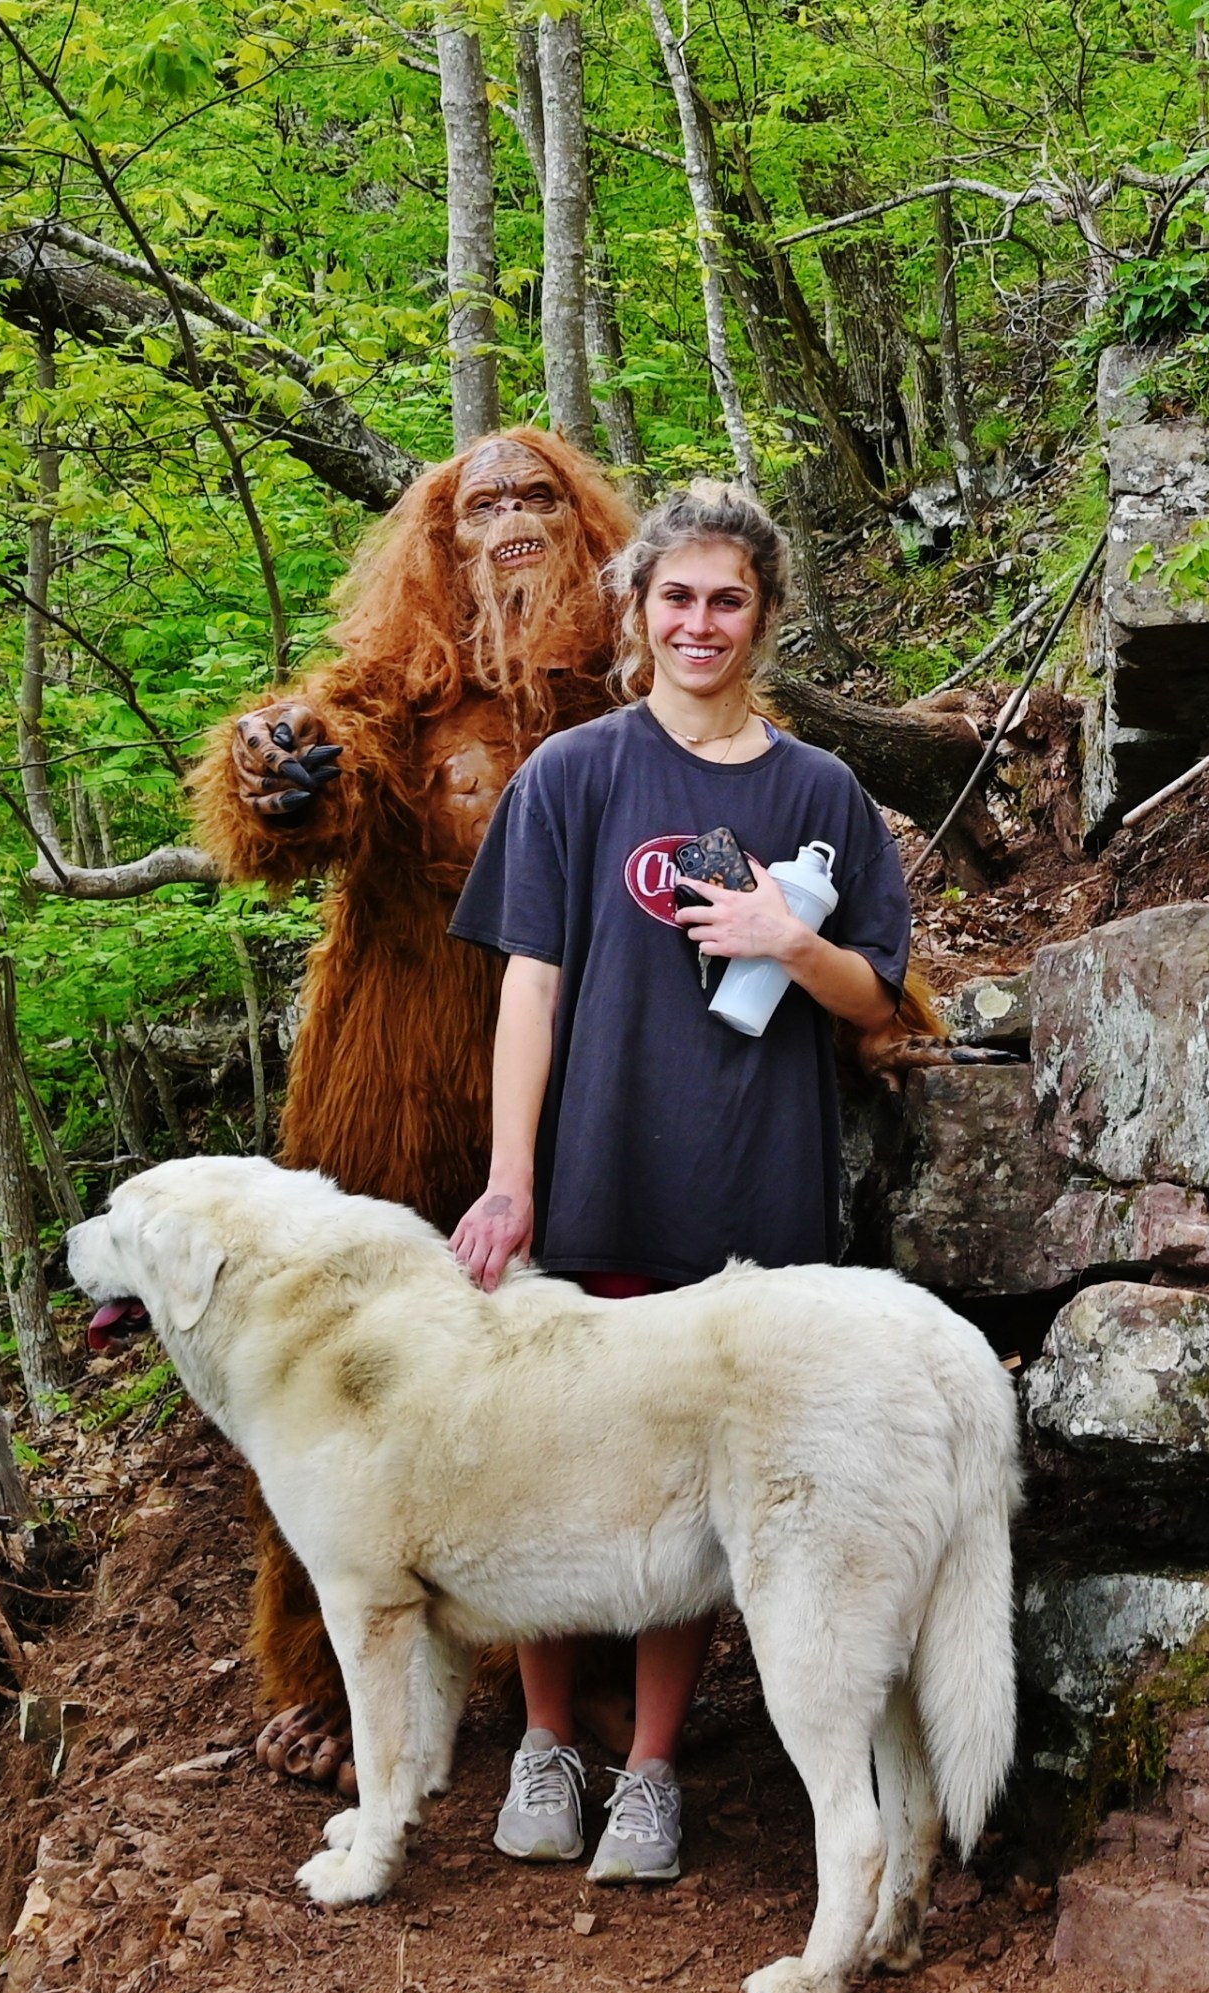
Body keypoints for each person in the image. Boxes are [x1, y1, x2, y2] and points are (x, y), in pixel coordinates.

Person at [447, 482, 913, 1885]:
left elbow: (879, 1001)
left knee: (698, 1489)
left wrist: (790, 937)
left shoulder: (820, 794)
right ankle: (546, 1742)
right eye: (678, 597)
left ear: (763, 618)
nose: (700, 624)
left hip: (753, 1186)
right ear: (638, 609)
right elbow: (530, 990)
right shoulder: (572, 776)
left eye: (729, 600)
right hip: (594, 1174)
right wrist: (510, 1181)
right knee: (548, 1462)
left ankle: (651, 1766)